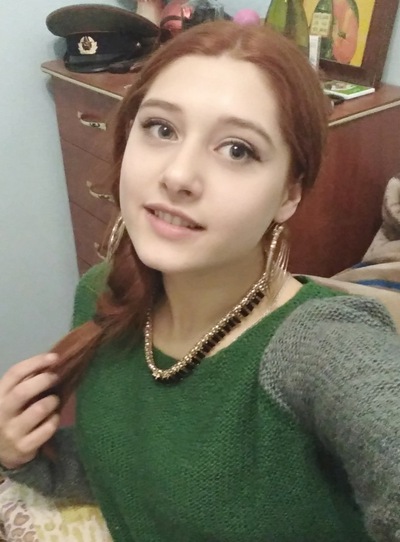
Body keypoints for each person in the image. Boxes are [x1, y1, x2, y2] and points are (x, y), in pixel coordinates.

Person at [0, 20, 399, 542]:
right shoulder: (103, 292)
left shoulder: (323, 347)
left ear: (289, 194)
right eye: (161, 129)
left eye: (237, 150)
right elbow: (132, 474)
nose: (178, 175)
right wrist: (24, 454)